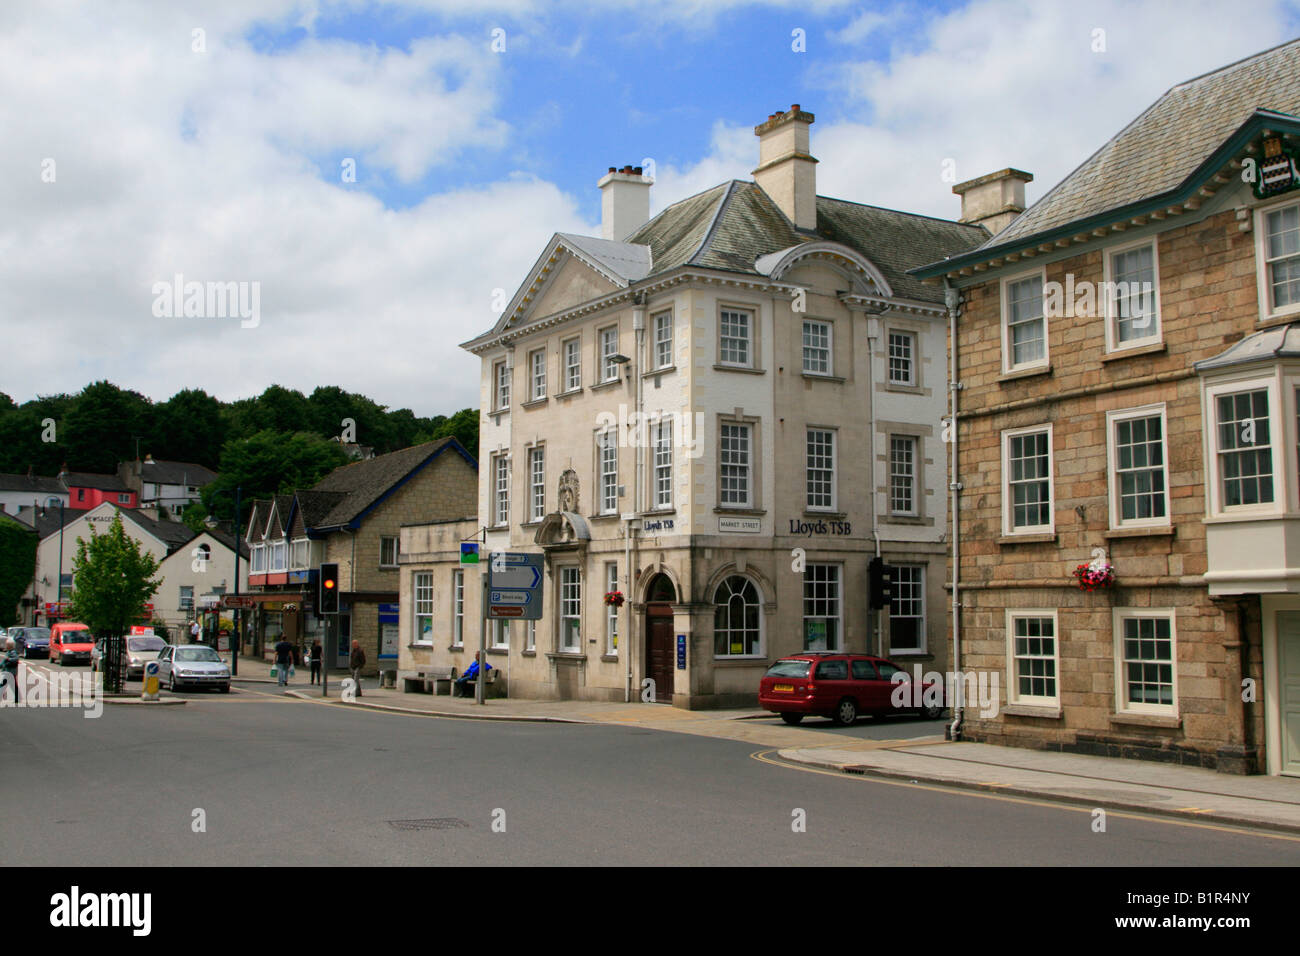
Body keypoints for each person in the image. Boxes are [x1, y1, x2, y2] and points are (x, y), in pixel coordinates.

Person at [1, 638, 19, 703]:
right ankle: (17, 698)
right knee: (12, 686)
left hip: (11, 672)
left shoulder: (13, 652)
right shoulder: (8, 652)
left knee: (4, 685)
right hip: (8, 672)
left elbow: (16, 659)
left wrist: (8, 659)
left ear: (10, 646)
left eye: (7, 644)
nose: (6, 645)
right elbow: (4, 662)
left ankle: (17, 698)